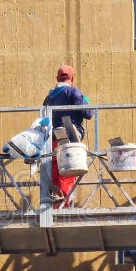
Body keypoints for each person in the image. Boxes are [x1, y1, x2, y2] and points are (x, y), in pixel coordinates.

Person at [42, 64, 92, 208]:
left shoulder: (48, 98)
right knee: (68, 172)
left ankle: (55, 207)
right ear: (72, 78)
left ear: (57, 78)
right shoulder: (73, 92)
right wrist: (85, 102)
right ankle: (65, 206)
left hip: (52, 140)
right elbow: (88, 114)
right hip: (69, 137)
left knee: (55, 174)